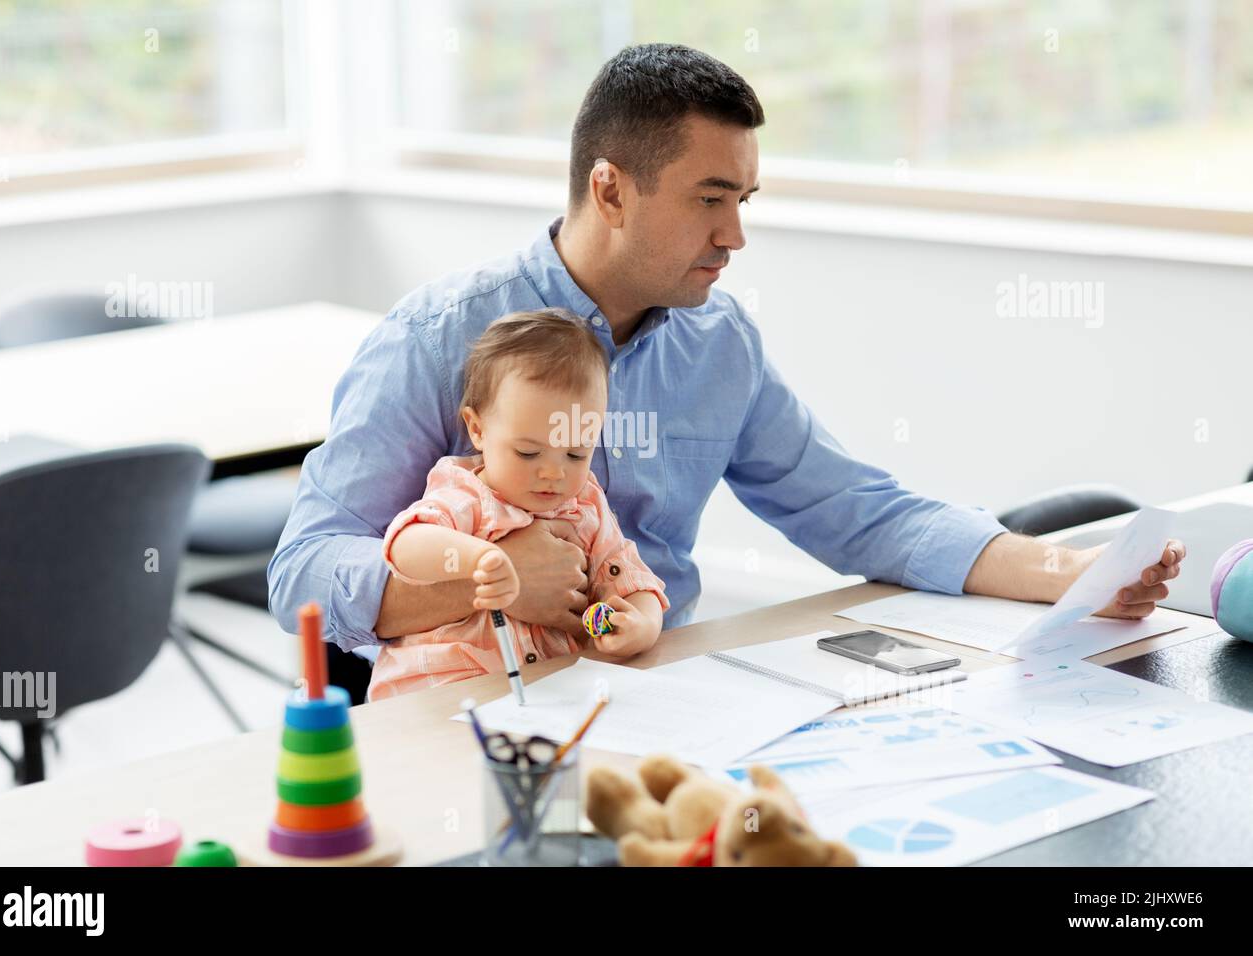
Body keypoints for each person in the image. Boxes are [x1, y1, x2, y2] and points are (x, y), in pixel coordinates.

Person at [269, 43, 1184, 669]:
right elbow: (304, 572)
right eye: (711, 199)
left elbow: (859, 512)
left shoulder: (720, 341)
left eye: (745, 198)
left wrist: (1072, 576)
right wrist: (491, 584)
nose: (736, 235)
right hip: (477, 705)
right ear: (611, 190)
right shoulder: (438, 337)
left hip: (657, 689)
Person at [368, 309, 667, 700]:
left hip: (545, 689)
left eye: (576, 454)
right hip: (445, 683)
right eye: (528, 453)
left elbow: (630, 578)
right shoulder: (465, 493)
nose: (553, 474)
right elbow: (405, 545)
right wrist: (480, 561)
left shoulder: (586, 505)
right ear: (478, 429)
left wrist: (642, 624)